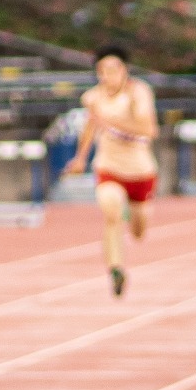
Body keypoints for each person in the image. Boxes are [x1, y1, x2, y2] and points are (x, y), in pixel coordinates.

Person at [69, 44, 159, 297]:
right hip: (109, 166)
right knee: (111, 213)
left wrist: (108, 120)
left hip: (141, 170)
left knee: (139, 233)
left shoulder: (138, 93)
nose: (106, 75)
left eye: (111, 69)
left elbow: (148, 129)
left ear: (124, 70)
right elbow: (90, 127)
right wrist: (80, 159)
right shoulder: (93, 97)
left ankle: (132, 214)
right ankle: (116, 269)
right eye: (101, 70)